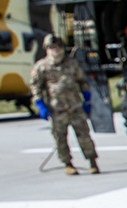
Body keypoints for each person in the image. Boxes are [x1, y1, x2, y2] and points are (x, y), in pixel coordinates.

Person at [28, 35, 100, 175]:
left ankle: (92, 161)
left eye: (58, 47)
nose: (55, 50)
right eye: (52, 47)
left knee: (84, 136)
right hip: (57, 110)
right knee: (60, 138)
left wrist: (87, 98)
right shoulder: (41, 67)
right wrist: (40, 105)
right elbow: (36, 86)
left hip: (75, 107)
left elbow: (83, 81)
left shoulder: (72, 64)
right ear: (47, 49)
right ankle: (68, 164)